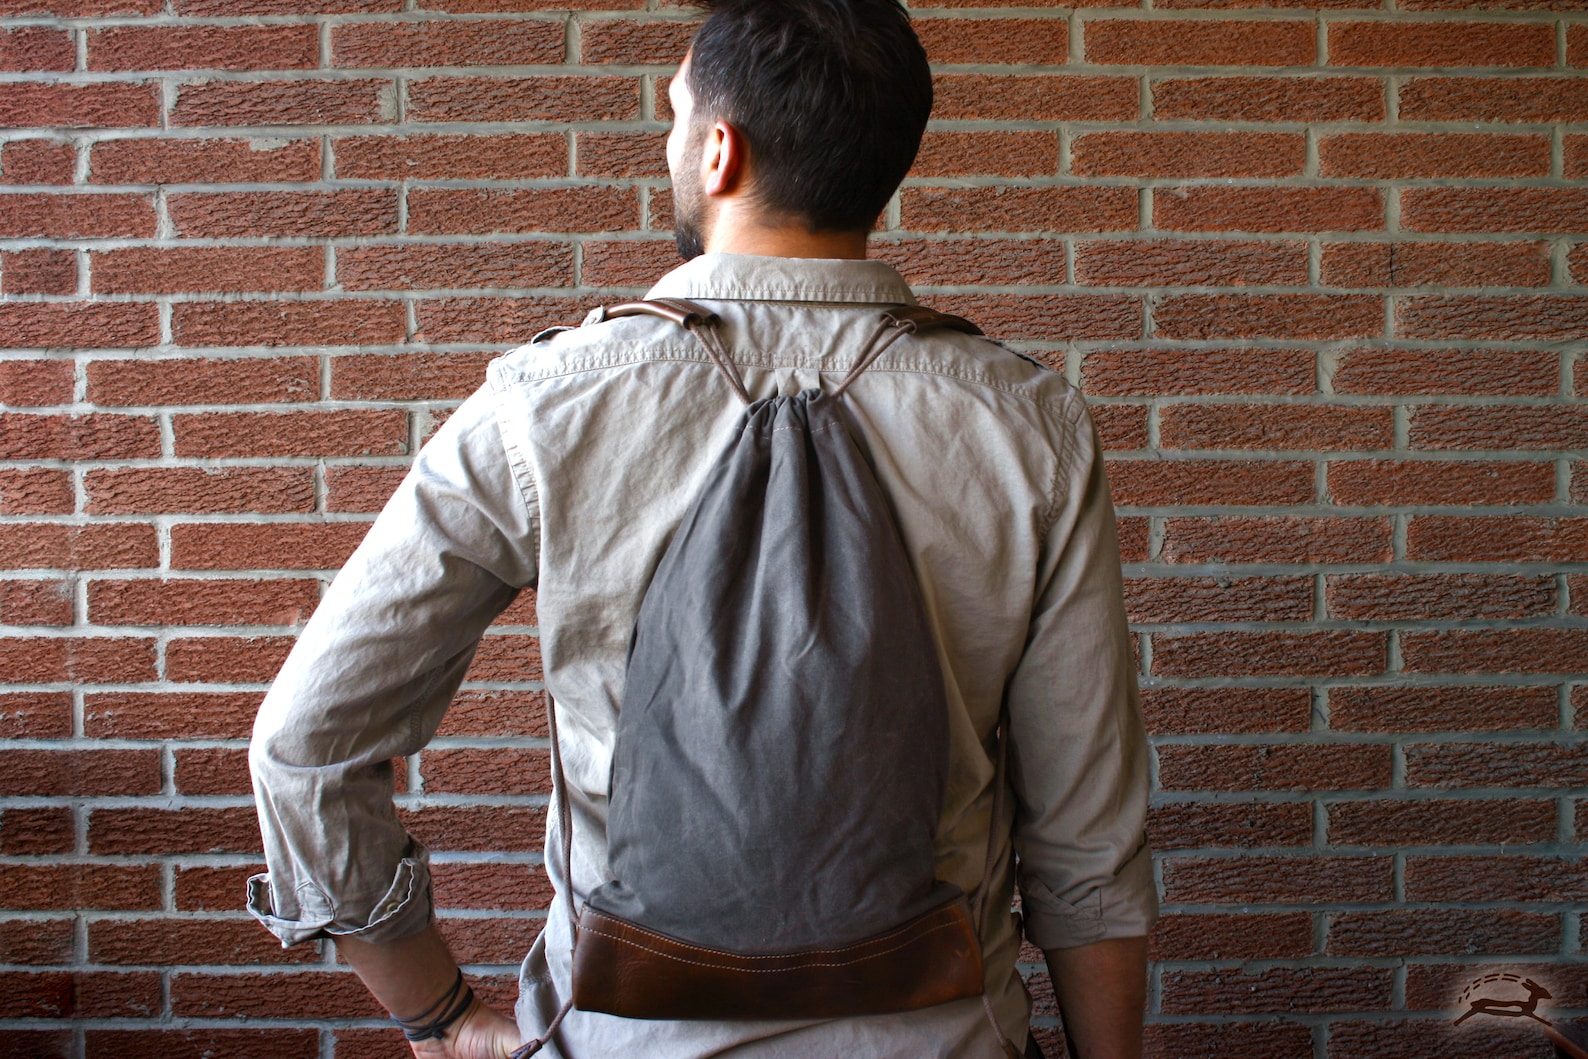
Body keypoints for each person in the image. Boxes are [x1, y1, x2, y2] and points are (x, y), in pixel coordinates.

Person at [246, 1, 1156, 1056]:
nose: (670, 138)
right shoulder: (1024, 422)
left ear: (720, 150)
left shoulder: (546, 405)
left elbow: (306, 744)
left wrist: (441, 1018)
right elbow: (1086, 836)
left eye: (675, 114)